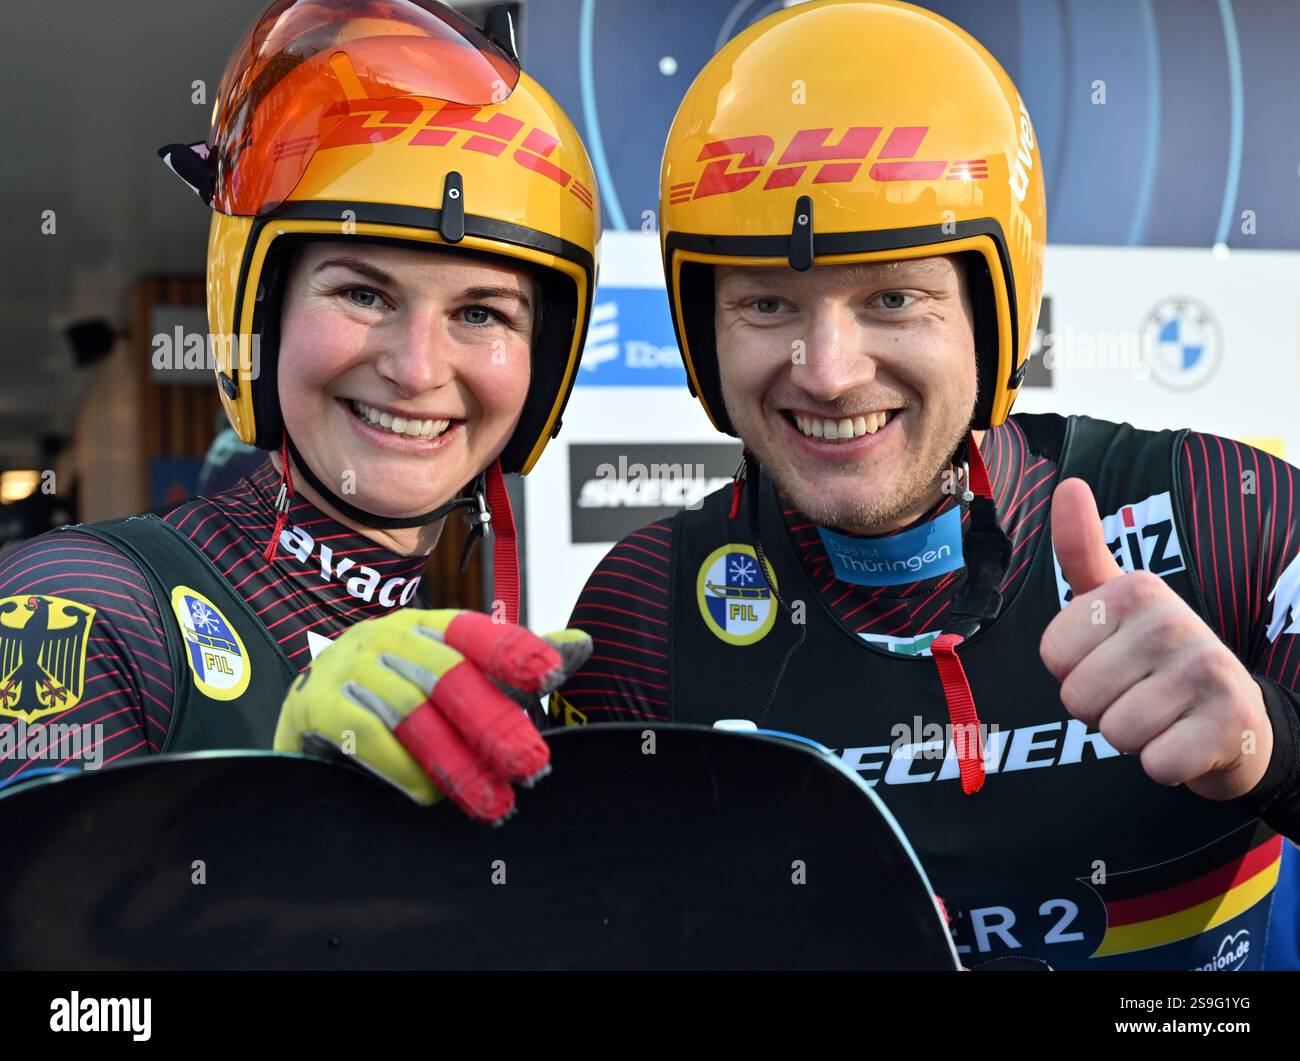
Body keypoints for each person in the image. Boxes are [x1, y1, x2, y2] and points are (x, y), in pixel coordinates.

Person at [550, 0, 1300, 970]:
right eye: (767, 300)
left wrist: (1268, 749)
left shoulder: (1221, 510)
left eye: (892, 296)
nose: (826, 369)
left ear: (994, 317)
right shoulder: (643, 612)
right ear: (702, 330)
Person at [0, 0, 599, 824]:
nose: (418, 368)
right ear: (258, 311)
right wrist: (277, 809)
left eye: (482, 312)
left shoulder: (477, 674)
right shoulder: (79, 604)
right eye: (362, 291)